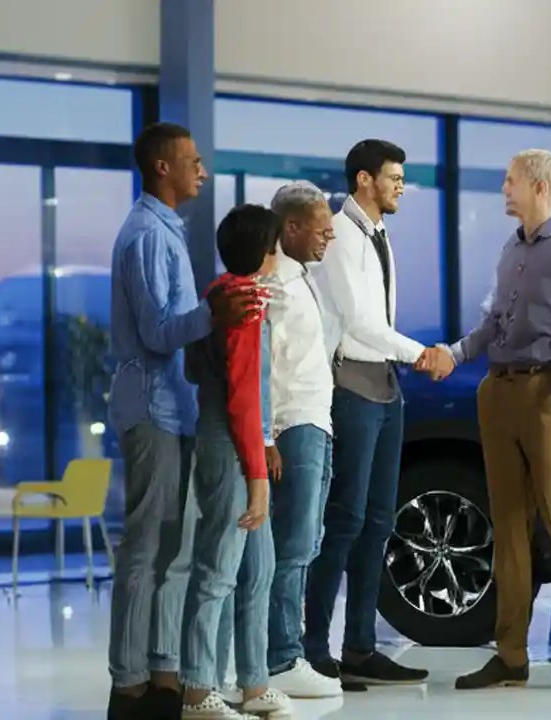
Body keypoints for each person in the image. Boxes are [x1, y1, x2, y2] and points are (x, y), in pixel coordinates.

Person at [422, 149, 551, 693]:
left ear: (538, 185)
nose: (504, 190)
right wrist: (457, 353)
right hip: (499, 392)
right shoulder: (511, 250)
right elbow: (494, 323)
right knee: (508, 526)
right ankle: (511, 655)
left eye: (510, 181)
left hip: (546, 395)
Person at [107, 122, 260, 720]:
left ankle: (163, 673)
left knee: (173, 547)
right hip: (149, 406)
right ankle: (130, 684)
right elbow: (155, 333)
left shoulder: (167, 231)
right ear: (162, 168)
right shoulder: (146, 233)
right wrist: (212, 313)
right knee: (146, 547)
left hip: (174, 404)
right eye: (193, 161)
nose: (203, 170)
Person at [307, 139, 430, 686]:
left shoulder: (378, 233)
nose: (401, 185)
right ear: (364, 180)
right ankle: (313, 650)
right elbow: (358, 322)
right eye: (393, 177)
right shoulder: (339, 237)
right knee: (345, 521)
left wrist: (404, 361)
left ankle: (359, 646)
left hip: (385, 385)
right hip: (351, 385)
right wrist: (421, 353)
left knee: (379, 521)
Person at [180, 204, 291, 718]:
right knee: (219, 569)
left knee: (259, 567)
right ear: (265, 251)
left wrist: (265, 443)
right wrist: (257, 479)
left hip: (240, 439)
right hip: (229, 444)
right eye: (275, 245)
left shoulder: (221, 293)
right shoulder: (242, 303)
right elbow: (244, 398)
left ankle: (253, 683)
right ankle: (199, 689)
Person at [260, 181, 343, 698]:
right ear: (291, 227)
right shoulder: (276, 289)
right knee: (291, 548)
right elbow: (265, 370)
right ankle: (281, 657)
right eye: (322, 226)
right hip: (293, 427)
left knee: (306, 542)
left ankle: (286, 653)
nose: (330, 234)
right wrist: (268, 437)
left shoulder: (305, 280)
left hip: (318, 421)